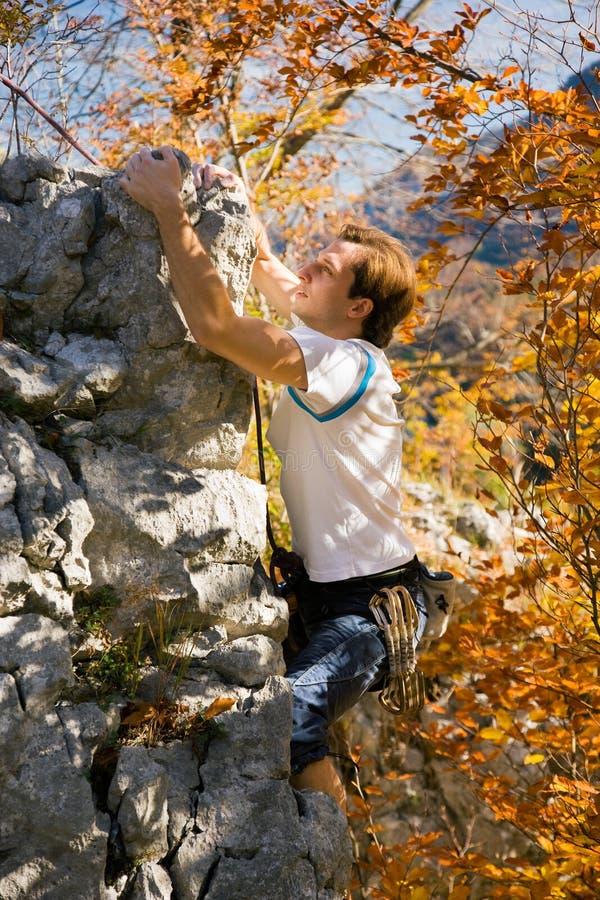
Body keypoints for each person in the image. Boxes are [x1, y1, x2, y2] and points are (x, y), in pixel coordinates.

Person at [119, 146, 427, 810]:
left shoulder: (349, 366)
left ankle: (327, 857)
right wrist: (230, 202)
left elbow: (216, 326)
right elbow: (269, 269)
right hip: (330, 596)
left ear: (358, 307)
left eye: (325, 267)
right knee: (278, 721)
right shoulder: (332, 336)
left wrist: (171, 210)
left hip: (372, 605)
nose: (305, 268)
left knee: (288, 723)